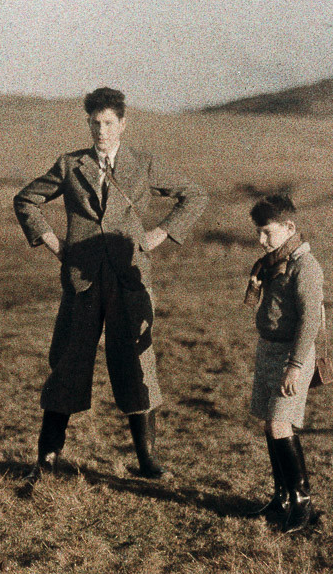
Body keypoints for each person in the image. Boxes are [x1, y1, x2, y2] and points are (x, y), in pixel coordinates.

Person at [13, 87, 207, 484]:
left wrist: (160, 234)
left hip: (130, 280)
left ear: (122, 124)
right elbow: (26, 200)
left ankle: (148, 461)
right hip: (82, 282)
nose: (101, 131)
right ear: (88, 123)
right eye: (94, 123)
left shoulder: (144, 164)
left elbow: (194, 195)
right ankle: (47, 460)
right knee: (66, 363)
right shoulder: (70, 165)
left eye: (108, 123)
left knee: (138, 366)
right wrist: (56, 246)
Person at [243, 194, 325, 533]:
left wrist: (294, 366)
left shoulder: (305, 266)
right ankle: (282, 498)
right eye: (257, 233)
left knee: (280, 425)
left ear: (290, 227)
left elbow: (309, 323)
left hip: (292, 356)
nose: (261, 240)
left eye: (267, 232)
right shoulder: (275, 261)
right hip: (269, 351)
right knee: (269, 424)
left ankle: (302, 503)